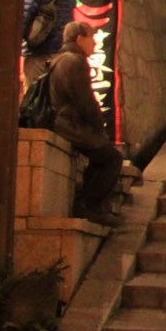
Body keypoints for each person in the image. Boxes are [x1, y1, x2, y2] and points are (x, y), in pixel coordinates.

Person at [48, 20, 123, 225]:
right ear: (80, 39)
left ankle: (93, 204)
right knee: (111, 157)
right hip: (68, 123)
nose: (95, 44)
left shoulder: (59, 58)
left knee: (101, 155)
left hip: (61, 120)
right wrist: (99, 128)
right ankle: (91, 206)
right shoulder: (75, 61)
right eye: (91, 38)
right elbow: (86, 102)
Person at [17, 0, 72, 87]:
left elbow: (25, 13)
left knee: (34, 95)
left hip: (39, 50)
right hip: (59, 50)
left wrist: (14, 40)